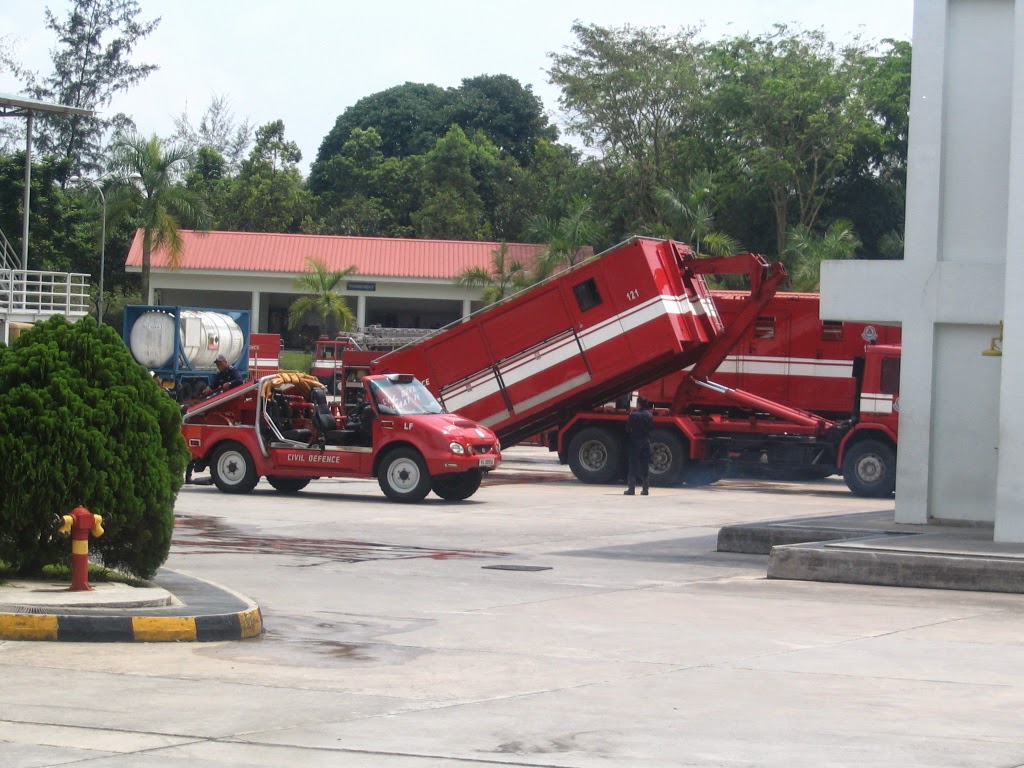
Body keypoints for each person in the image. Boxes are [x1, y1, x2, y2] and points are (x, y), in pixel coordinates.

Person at [624, 396, 654, 496]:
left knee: (633, 464)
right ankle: (645, 489)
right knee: (645, 464)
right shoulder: (650, 415)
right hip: (646, 441)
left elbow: (628, 429)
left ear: (639, 404)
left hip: (635, 441)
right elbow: (651, 428)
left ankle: (631, 488)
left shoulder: (634, 415)